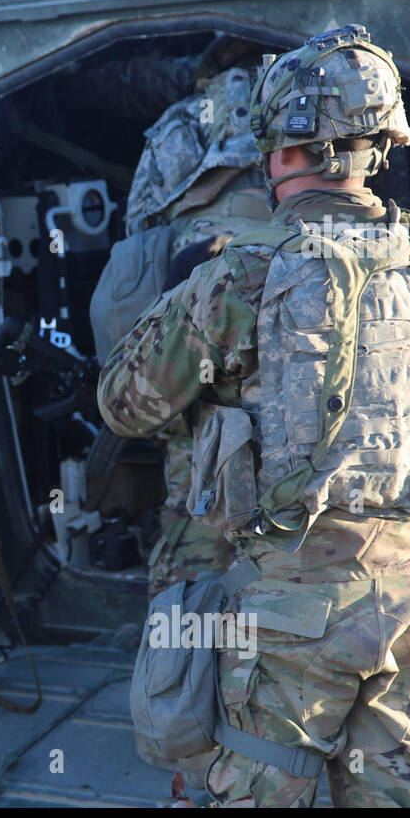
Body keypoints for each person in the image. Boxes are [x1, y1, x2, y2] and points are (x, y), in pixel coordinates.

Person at [98, 25, 410, 806]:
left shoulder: (240, 271)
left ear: (283, 149)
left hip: (288, 618)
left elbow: (126, 405)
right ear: (380, 143)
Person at [99, 66, 272, 599]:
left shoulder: (198, 269)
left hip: (209, 509)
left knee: (189, 653)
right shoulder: (342, 247)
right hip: (330, 534)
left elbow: (132, 409)